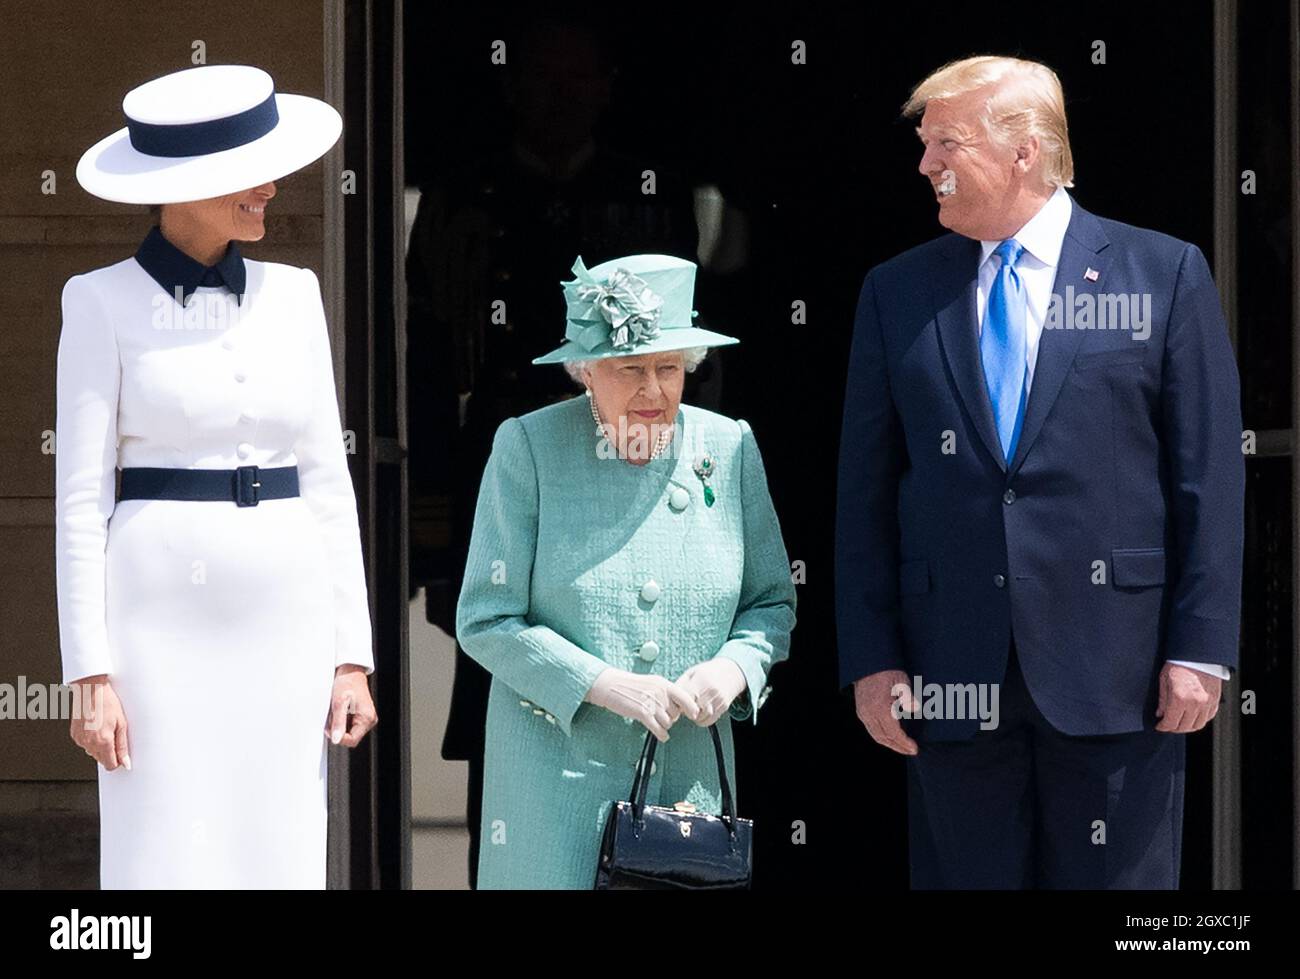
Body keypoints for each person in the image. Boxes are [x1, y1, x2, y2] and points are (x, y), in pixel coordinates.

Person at [835, 56, 1243, 888]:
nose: (925, 166)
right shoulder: (896, 291)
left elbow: (1208, 477)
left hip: (1119, 676)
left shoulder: (1162, 274)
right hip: (950, 676)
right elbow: (864, 492)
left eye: (946, 141)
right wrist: (871, 657)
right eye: (924, 144)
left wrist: (1201, 647)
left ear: (1025, 149)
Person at [57, 64, 377, 888]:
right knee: (158, 846)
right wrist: (89, 674)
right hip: (153, 627)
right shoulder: (97, 302)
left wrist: (352, 655)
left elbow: (326, 482)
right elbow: (81, 500)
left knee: (278, 844)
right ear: (182, 185)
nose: (270, 187)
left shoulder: (297, 294)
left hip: (287, 615)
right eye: (247, 173)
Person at [455, 253, 796, 888]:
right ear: (584, 372)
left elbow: (771, 603)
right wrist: (602, 684)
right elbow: (486, 618)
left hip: (686, 790)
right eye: (629, 369)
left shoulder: (728, 447)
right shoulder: (528, 448)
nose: (653, 390)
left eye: (669, 368)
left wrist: (735, 669)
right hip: (556, 783)